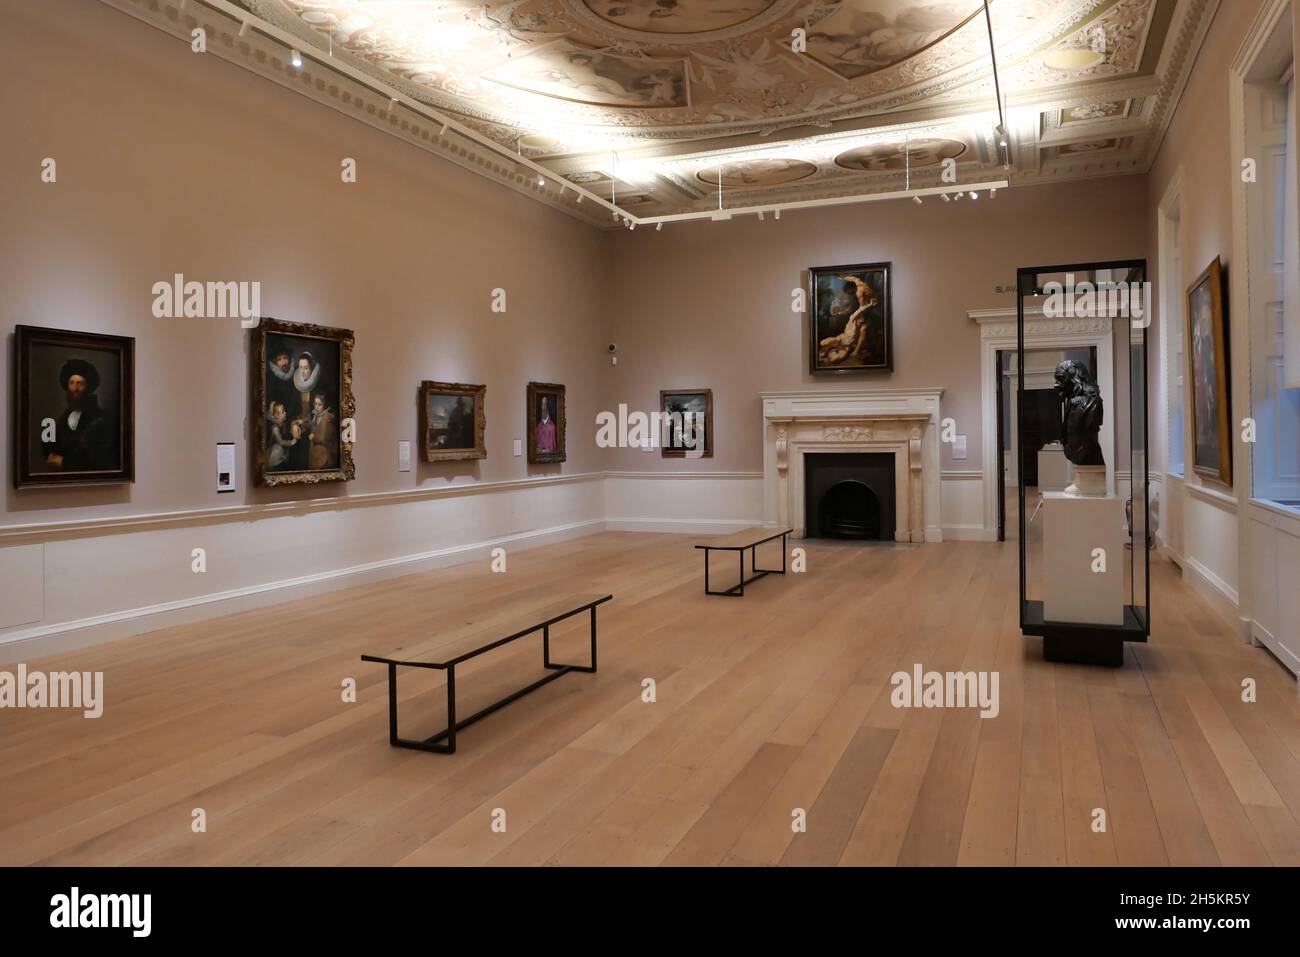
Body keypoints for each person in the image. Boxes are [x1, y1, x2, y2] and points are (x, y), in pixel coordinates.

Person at [41, 357, 114, 472]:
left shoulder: (100, 419)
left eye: (80, 384)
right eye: (72, 383)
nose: (75, 388)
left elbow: (99, 457)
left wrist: (65, 462)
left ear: (88, 388)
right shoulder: (63, 419)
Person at [307, 391, 338, 470]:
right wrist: (302, 423)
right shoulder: (317, 415)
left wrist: (313, 437)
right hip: (316, 451)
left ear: (325, 405)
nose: (317, 406)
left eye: (319, 404)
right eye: (315, 403)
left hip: (323, 453)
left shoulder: (326, 418)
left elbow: (323, 439)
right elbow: (313, 425)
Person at [266, 401, 298, 470]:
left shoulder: (281, 425)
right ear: (276, 416)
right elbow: (280, 442)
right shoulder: (275, 428)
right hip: (275, 457)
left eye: (284, 411)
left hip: (281, 455)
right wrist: (291, 442)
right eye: (283, 412)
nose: (285, 413)